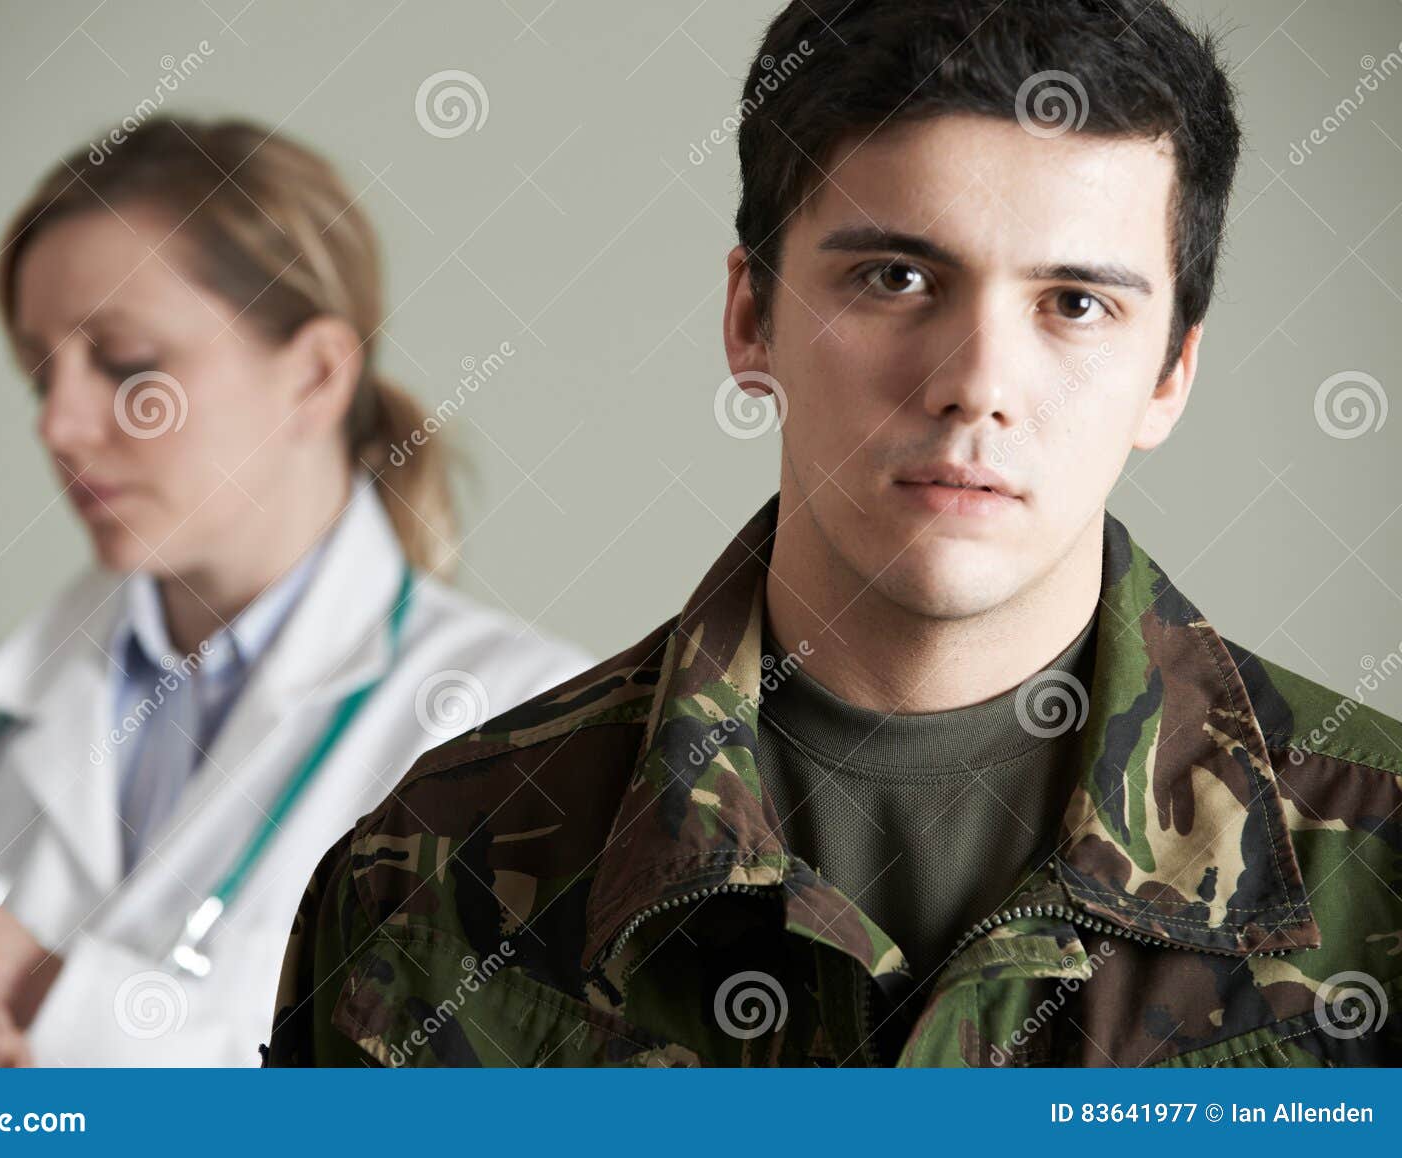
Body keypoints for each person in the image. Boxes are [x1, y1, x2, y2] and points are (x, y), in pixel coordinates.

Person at [266, 0, 1402, 1068]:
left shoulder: (1379, 866)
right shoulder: (426, 878)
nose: (975, 386)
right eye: (897, 276)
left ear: (1170, 374)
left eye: (1074, 304)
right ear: (750, 317)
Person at [0, 116, 590, 1067]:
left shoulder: (533, 732)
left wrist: (49, 995)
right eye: (39, 372)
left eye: (129, 367)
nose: (57, 424)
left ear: (315, 374)